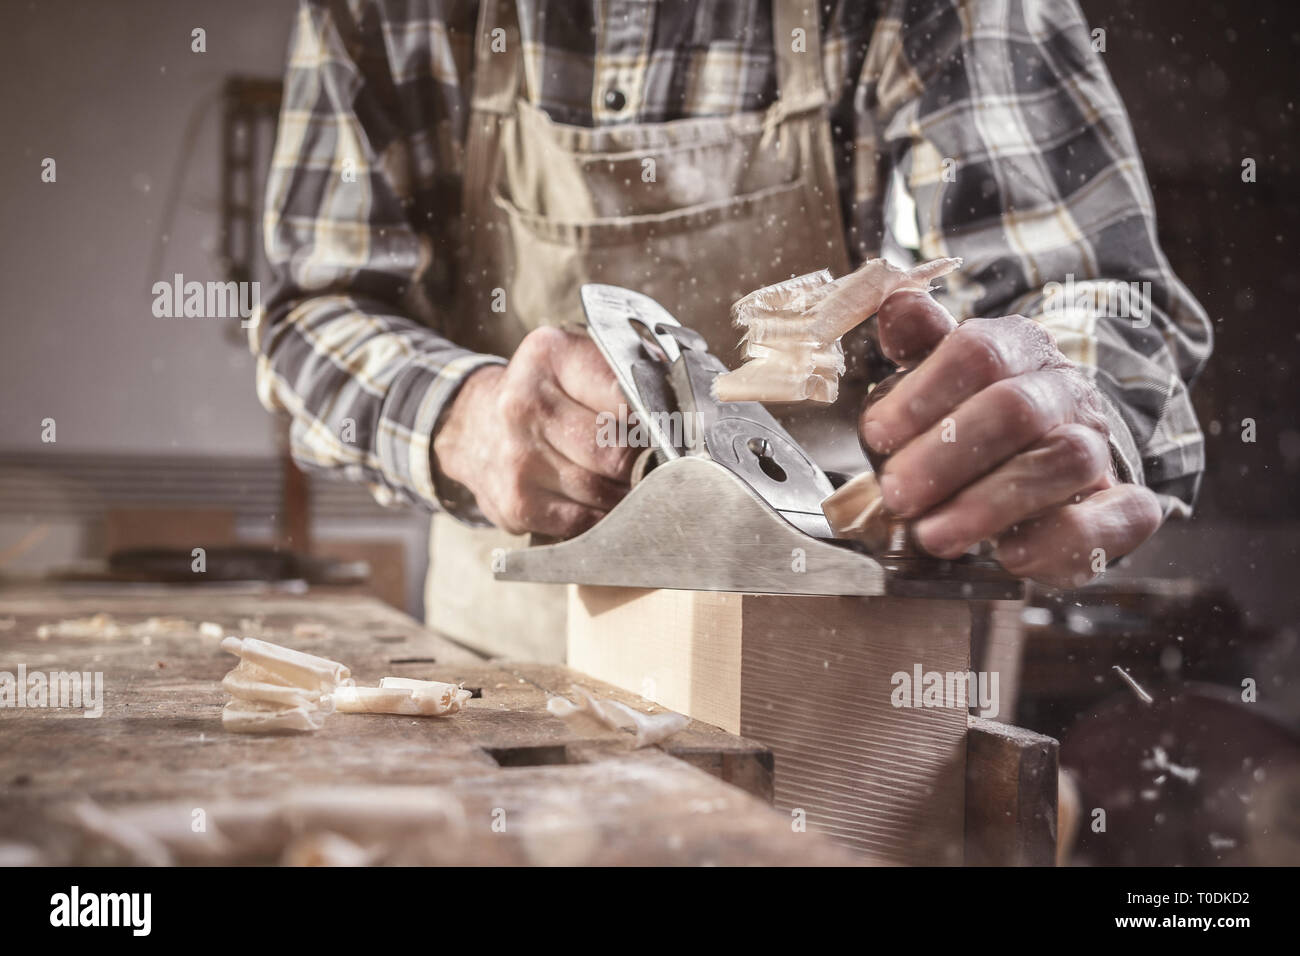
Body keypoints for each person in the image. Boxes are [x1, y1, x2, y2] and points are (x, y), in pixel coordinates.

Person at [252, 0, 1210, 652]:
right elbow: (313, 302)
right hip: (519, 661)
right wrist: (466, 415)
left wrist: (1068, 406)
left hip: (861, 670)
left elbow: (1091, 289)